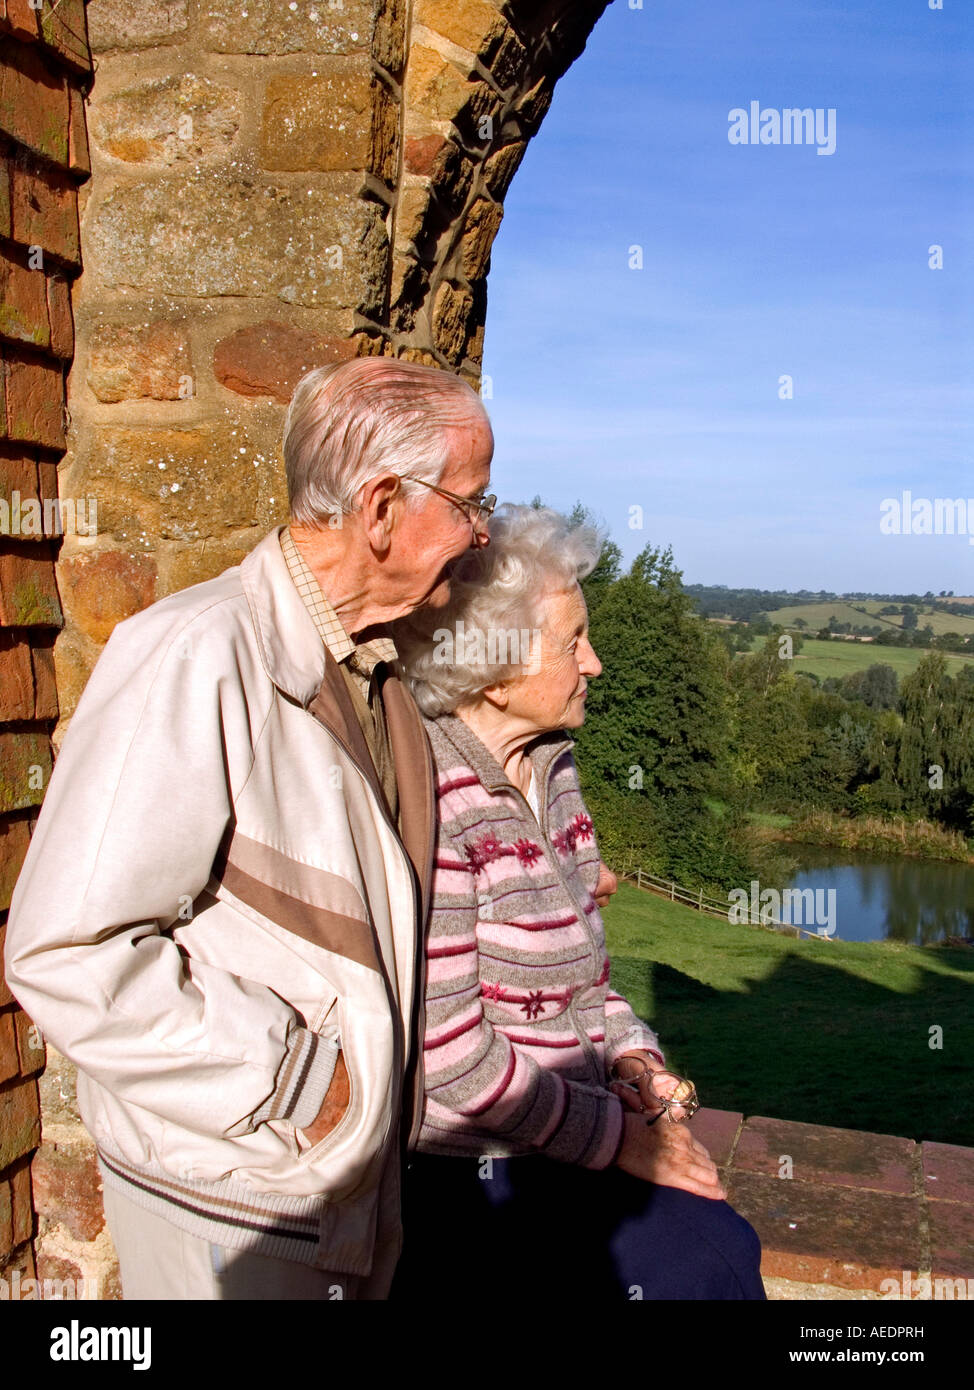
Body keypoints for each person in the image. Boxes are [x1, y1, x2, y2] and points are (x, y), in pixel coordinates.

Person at [4, 357, 495, 1300]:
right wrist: (303, 1089)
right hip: (231, 1210)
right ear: (383, 506)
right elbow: (66, 951)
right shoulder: (194, 654)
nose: (483, 533)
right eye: (473, 501)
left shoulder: (374, 671)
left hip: (334, 1201)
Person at [391, 504, 766, 1301]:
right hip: (472, 1167)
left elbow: (589, 979)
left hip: (572, 1130)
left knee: (722, 1244)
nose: (594, 664)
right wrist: (623, 1142)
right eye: (572, 643)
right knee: (707, 1267)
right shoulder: (430, 800)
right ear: (492, 668)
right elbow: (449, 1063)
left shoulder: (551, 763)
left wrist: (637, 1059)